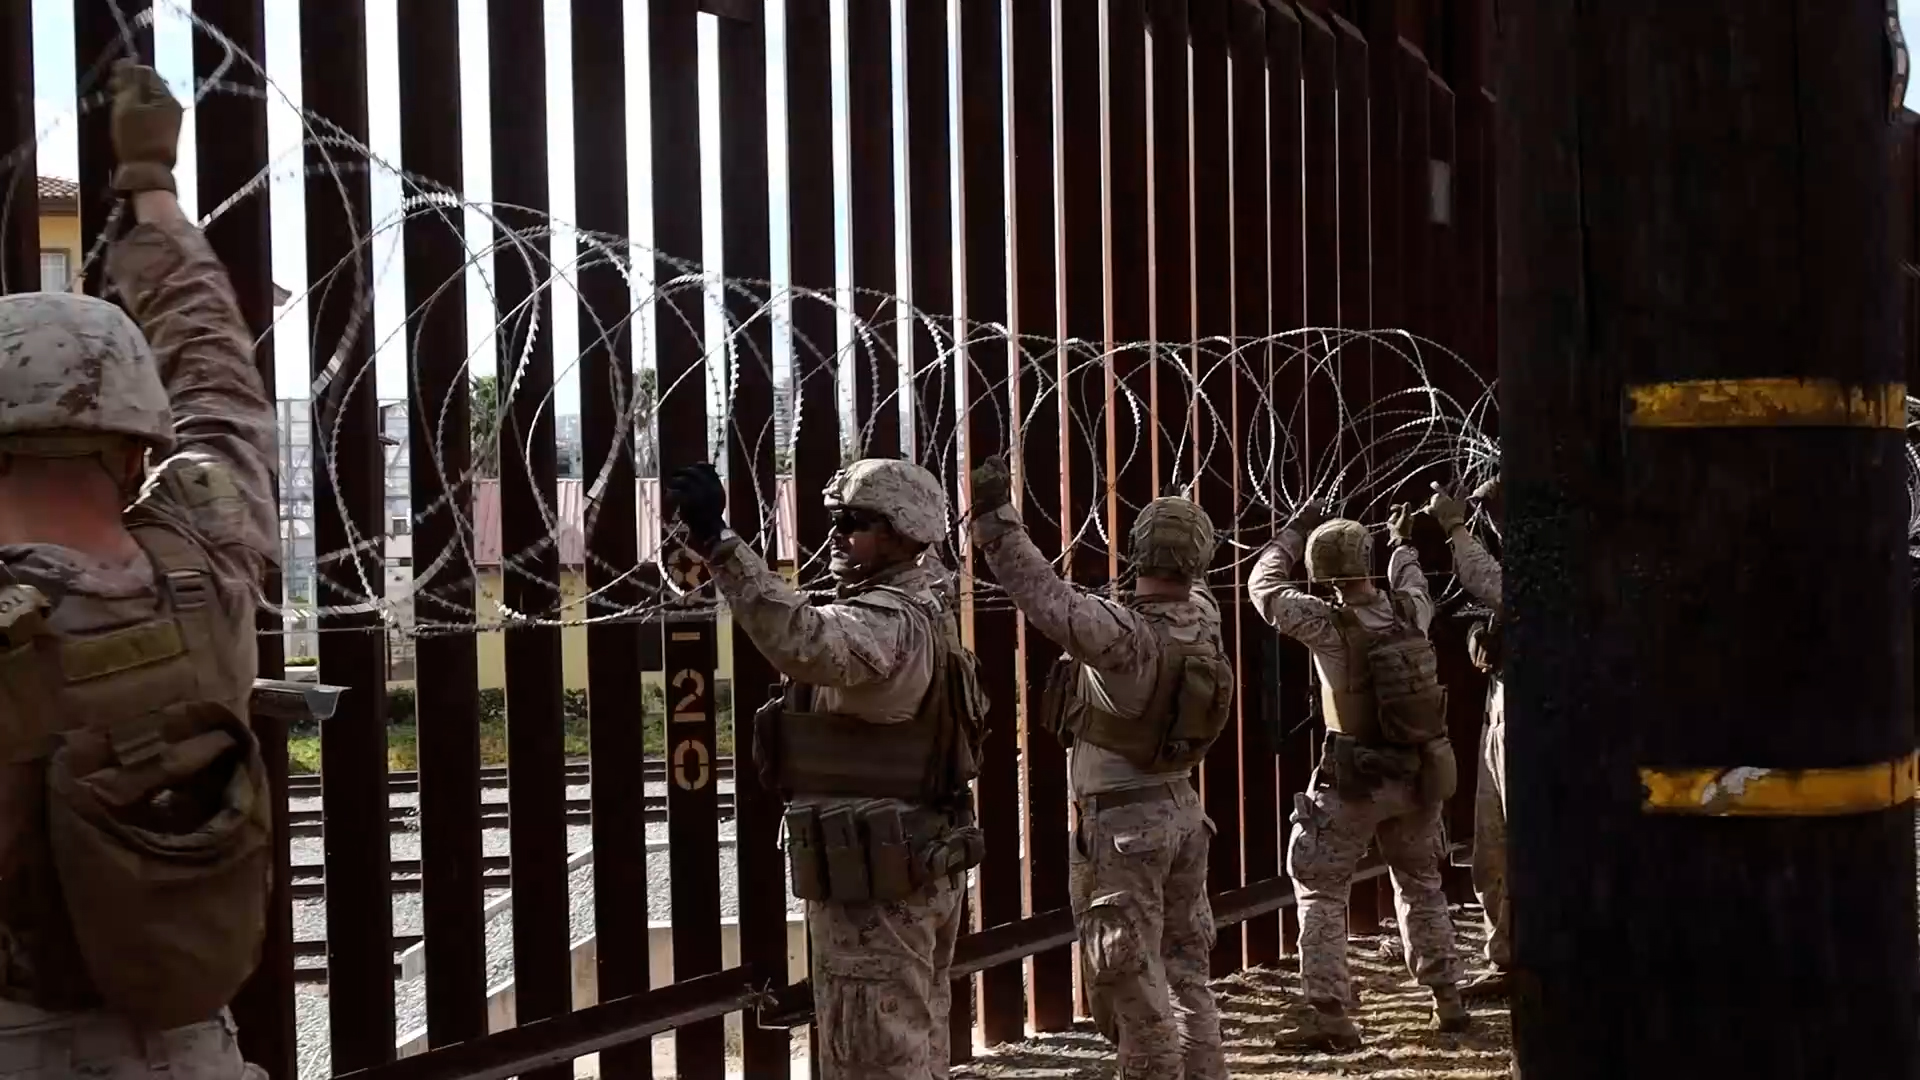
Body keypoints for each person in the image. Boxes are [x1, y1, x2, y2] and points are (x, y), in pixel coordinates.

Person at [0, 63, 277, 1077]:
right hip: (193, 1050)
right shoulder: (214, 553)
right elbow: (214, 369)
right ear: (132, 446)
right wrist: (151, 186)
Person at [665, 457, 988, 1080]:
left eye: (856, 523)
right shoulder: (926, 602)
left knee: (874, 1055)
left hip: (879, 883)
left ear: (900, 533)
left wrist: (721, 545)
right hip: (911, 861)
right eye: (835, 520)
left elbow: (806, 639)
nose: (837, 535)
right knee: (910, 1045)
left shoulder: (888, 622)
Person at [967, 454, 1229, 1080]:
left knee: (1134, 984)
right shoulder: (1205, 622)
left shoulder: (1124, 639)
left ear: (1137, 551)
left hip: (1123, 827)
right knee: (1187, 969)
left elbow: (1043, 593)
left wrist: (994, 516)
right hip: (1183, 814)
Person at [1249, 500, 1468, 1050]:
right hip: (1417, 773)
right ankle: (1448, 998)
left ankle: (1330, 1015)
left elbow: (1262, 585)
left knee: (1320, 889)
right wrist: (1399, 542)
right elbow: (1413, 578)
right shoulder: (1408, 610)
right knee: (1422, 884)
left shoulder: (1326, 623)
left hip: (1356, 777)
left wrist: (1296, 529)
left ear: (1324, 575)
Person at [1427, 477, 1508, 999]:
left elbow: (1490, 583)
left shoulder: (1561, 558)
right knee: (1493, 845)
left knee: (1520, 844)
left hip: (1531, 721)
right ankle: (1507, 958)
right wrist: (1487, 634)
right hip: (1501, 711)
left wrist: (1455, 526)